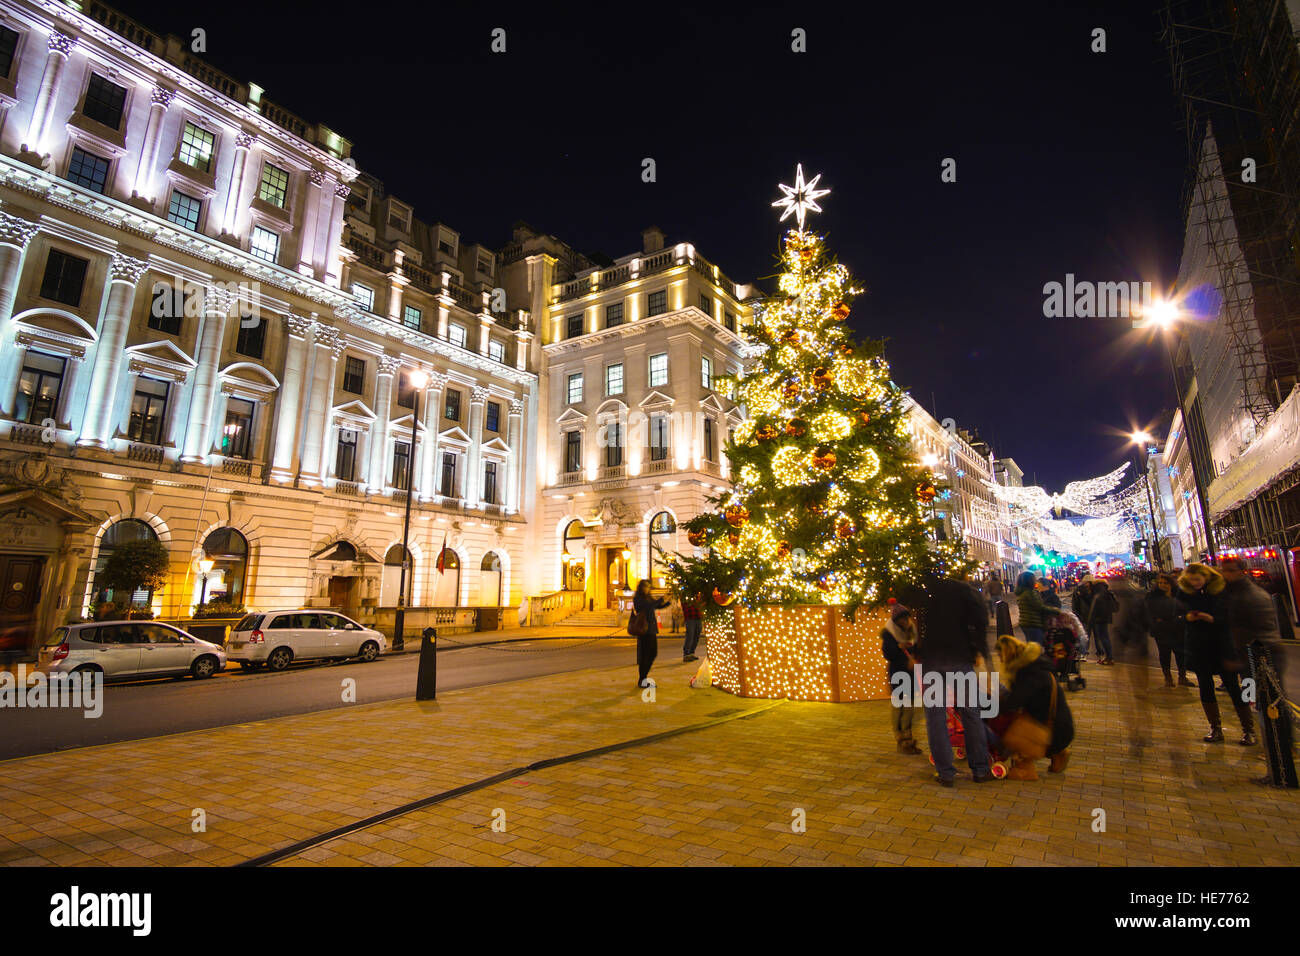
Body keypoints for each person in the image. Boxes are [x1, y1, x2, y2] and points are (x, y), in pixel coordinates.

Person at [898, 574, 994, 787]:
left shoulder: (926, 591)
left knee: (936, 717)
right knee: (971, 714)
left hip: (932, 660)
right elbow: (979, 623)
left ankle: (945, 773)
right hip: (960, 658)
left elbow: (908, 607)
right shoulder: (965, 592)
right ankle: (980, 769)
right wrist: (978, 650)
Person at [1177, 563, 1255, 745]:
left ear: (1206, 577)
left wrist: (1212, 619)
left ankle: (1249, 729)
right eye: (1191, 580)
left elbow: (1231, 617)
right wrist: (1187, 617)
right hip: (1198, 646)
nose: (1195, 583)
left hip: (1222, 645)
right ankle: (1215, 728)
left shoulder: (1221, 591)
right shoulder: (1184, 593)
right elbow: (1178, 614)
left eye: (1198, 579)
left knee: (1234, 687)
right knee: (1205, 686)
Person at [992, 634, 1075, 780]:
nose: (1000, 660)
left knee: (1012, 733)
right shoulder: (1036, 665)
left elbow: (1012, 703)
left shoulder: (1030, 674)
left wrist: (987, 706)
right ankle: (1057, 753)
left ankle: (1025, 769)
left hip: (1053, 731)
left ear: (1008, 654)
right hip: (1060, 727)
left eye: (1000, 656)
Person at [881, 599, 922, 755]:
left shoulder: (911, 630)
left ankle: (909, 738)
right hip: (898, 672)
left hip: (911, 672)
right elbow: (888, 653)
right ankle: (902, 740)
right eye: (903, 619)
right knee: (900, 706)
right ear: (896, 621)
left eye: (907, 618)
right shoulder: (889, 633)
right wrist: (899, 648)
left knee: (911, 706)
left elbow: (917, 648)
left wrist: (915, 658)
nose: (906, 621)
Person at [1144, 572, 1191, 687]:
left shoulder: (1178, 595)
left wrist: (1181, 619)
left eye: (1165, 583)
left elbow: (1185, 609)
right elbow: (1150, 612)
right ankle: (1168, 678)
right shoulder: (1152, 596)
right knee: (1165, 654)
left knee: (1180, 654)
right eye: (1160, 583)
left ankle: (1182, 677)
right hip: (1162, 630)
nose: (1162, 585)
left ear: (1171, 584)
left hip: (1178, 629)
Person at [632, 579, 669, 688]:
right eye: (646, 586)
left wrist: (667, 601)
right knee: (645, 655)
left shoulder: (648, 597)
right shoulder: (638, 598)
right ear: (641, 587)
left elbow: (656, 606)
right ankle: (642, 679)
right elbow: (648, 606)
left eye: (648, 586)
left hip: (651, 629)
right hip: (644, 630)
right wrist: (661, 599)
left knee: (653, 654)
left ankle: (643, 677)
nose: (648, 588)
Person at [1015, 570, 1049, 647]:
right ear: (1030, 581)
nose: (1036, 581)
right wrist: (1056, 611)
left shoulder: (1021, 592)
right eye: (1034, 579)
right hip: (1033, 623)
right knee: (1036, 648)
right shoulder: (1030, 593)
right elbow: (1040, 607)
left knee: (1031, 645)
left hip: (1025, 623)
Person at [1087, 579, 1117, 664]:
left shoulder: (1099, 594)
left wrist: (1093, 619)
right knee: (1105, 638)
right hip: (1104, 619)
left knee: (1104, 638)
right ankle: (1109, 657)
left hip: (1100, 620)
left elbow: (1095, 609)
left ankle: (1109, 657)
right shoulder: (1105, 592)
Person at [681, 590, 703, 663]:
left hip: (698, 617)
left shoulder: (698, 595)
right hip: (690, 618)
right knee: (690, 636)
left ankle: (691, 653)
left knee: (696, 636)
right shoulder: (685, 596)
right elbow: (687, 605)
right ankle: (686, 654)